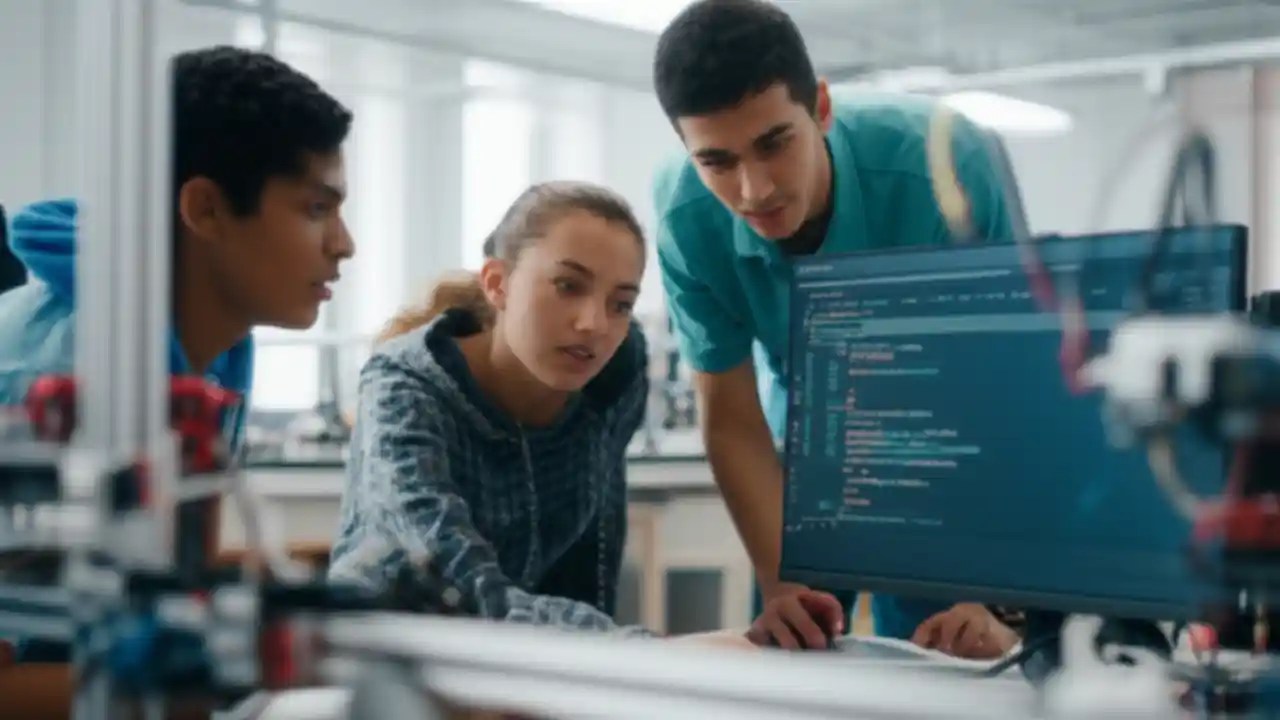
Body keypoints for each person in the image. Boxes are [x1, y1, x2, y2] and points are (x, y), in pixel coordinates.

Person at [651, 0, 1019, 657]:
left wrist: (982, 589)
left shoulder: (944, 164)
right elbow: (730, 415)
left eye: (774, 143)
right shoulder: (687, 220)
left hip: (944, 429)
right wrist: (782, 582)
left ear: (821, 107)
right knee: (795, 649)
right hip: (803, 443)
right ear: (687, 151)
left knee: (948, 652)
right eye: (716, 161)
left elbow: (1000, 384)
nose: (754, 188)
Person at [0, 42, 355, 703]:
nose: (344, 243)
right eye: (316, 209)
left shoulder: (213, 345)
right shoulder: (47, 385)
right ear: (206, 210)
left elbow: (168, 577)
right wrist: (222, 664)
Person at [327, 181, 746, 648]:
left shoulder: (617, 371)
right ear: (496, 283)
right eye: (568, 286)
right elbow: (463, 591)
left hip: (529, 667)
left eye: (621, 303)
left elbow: (592, 559)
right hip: (390, 660)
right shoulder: (405, 388)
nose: (594, 324)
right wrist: (657, 653)